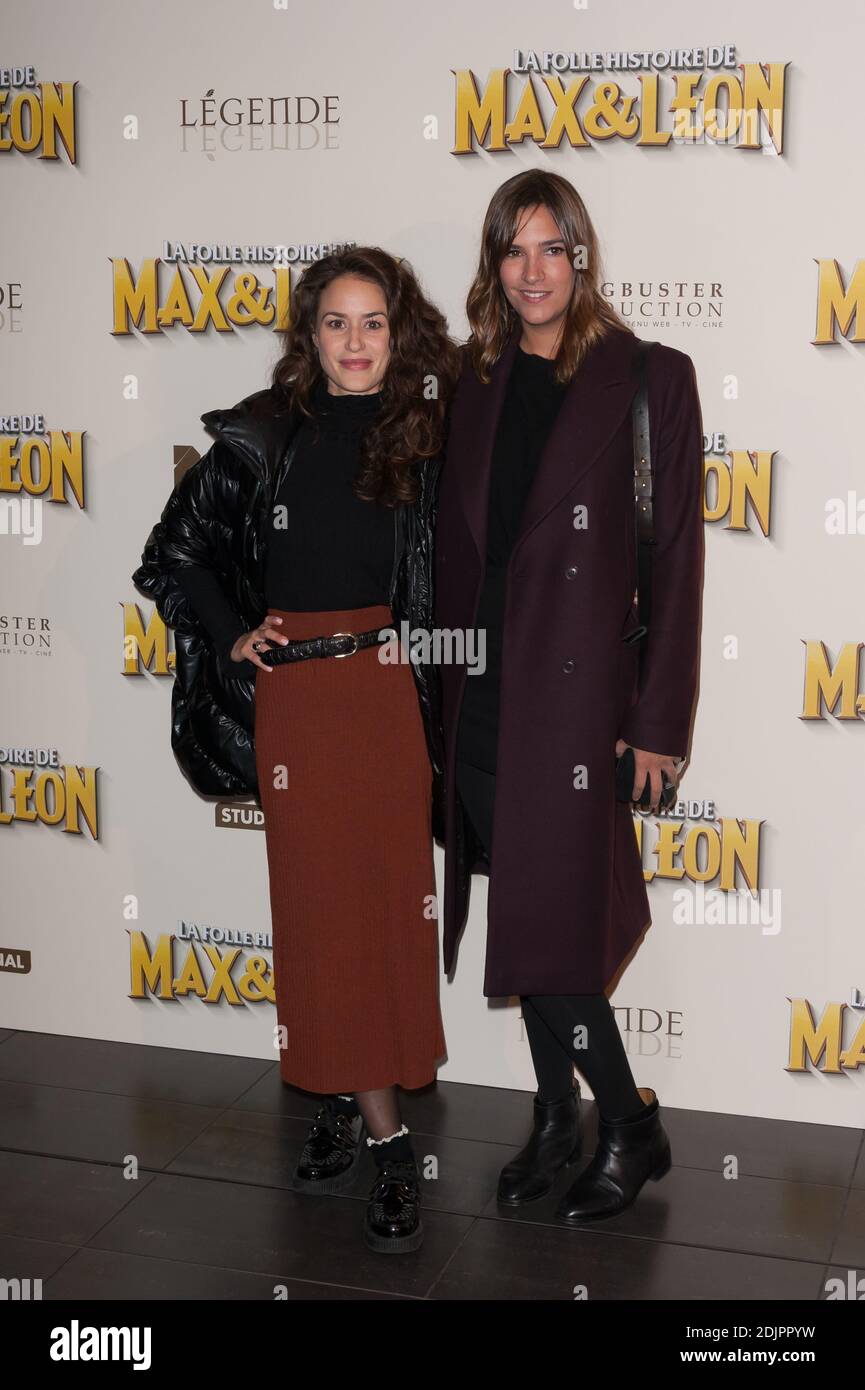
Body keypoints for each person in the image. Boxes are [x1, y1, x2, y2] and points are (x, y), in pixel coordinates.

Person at [132, 247, 461, 1253]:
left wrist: (431, 630)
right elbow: (171, 556)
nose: (355, 342)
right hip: (300, 706)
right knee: (320, 913)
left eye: (372, 323)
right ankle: (389, 1140)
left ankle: (339, 1097)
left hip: (383, 700)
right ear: (307, 335)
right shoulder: (264, 434)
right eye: (335, 323)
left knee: (386, 915)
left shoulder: (429, 432)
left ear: (396, 333)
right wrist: (235, 624)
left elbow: (473, 562)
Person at [434, 170, 705, 1223]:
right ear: (494, 265)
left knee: (551, 926)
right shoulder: (473, 379)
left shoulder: (648, 377)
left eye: (554, 248)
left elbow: (677, 559)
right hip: (483, 686)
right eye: (515, 249)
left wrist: (657, 722)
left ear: (580, 258)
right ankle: (556, 1116)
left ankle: (630, 1127)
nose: (534, 270)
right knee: (528, 908)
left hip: (579, 700)